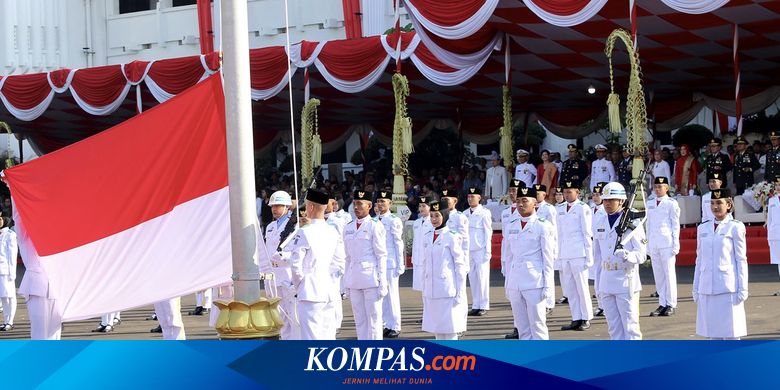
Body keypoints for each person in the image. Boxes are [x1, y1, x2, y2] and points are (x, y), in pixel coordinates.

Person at [282, 188, 345, 340]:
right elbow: (339, 262)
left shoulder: (305, 232)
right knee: (328, 335)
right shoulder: (332, 231)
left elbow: (296, 265)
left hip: (310, 290)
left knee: (311, 336)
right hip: (329, 289)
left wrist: (300, 286)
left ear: (310, 207)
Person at [592, 182, 647, 340]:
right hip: (606, 280)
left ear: (622, 201)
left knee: (630, 328)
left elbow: (642, 254)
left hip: (625, 280)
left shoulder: (632, 221)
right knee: (613, 328)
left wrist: (628, 255)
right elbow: (597, 257)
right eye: (605, 200)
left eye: (612, 200)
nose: (607, 203)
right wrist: (598, 284)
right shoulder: (600, 221)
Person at [693, 188, 748, 339]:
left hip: (727, 288)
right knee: (712, 335)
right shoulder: (702, 228)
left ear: (728, 204)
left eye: (719, 203)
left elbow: (741, 260)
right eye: (712, 203)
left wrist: (743, 288)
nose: (715, 207)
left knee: (731, 335)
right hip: (707, 288)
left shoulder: (735, 227)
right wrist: (696, 287)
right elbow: (699, 260)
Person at [504, 185, 555, 340]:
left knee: (537, 325)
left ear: (535, 203)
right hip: (515, 281)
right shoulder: (511, 225)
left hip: (535, 282)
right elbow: (509, 257)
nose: (520, 204)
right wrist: (508, 282)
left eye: (524, 201)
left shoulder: (543, 225)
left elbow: (548, 259)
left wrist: (548, 286)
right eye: (518, 201)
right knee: (522, 327)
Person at [342, 190, 387, 340]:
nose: (356, 207)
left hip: (371, 278)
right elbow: (347, 257)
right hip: (354, 278)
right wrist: (345, 282)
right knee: (359, 318)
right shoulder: (348, 227)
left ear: (369, 206)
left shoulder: (375, 225)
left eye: (360, 204)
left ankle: (375, 350)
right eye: (355, 204)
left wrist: (383, 281)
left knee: (374, 318)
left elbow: (381, 255)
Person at [421, 201, 468, 340]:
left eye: (437, 216)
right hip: (432, 289)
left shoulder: (452, 236)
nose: (434, 219)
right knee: (437, 329)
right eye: (432, 216)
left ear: (445, 216)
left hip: (448, 289)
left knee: (450, 329)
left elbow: (460, 265)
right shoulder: (428, 235)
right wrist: (424, 287)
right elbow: (425, 264)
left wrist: (460, 291)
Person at [556, 180, 594, 331]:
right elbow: (558, 234)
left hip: (579, 253)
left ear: (577, 193)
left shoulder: (582, 208)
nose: (566, 194)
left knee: (582, 287)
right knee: (570, 289)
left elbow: (587, 233)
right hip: (565, 253)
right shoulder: (560, 208)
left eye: (570, 192)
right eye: (565, 192)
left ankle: (586, 317)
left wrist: (589, 256)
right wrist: (558, 256)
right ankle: (576, 317)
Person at [261, 190, 299, 340]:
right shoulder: (270, 226)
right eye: (273, 206)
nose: (274, 209)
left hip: (288, 273)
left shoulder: (295, 225)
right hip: (273, 275)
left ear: (287, 206)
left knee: (293, 315)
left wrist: (284, 257)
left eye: (278, 206)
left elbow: (298, 251)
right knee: (279, 316)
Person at [645, 177, 680, 317]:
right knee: (658, 275)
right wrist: (647, 243)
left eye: (661, 186)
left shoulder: (672, 203)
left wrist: (675, 244)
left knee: (669, 274)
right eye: (656, 186)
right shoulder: (650, 203)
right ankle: (662, 302)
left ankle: (671, 303)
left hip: (667, 242)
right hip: (654, 242)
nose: (658, 189)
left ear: (667, 188)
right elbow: (648, 224)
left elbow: (675, 225)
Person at [375, 190, 404, 338]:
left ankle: (395, 325)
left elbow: (398, 243)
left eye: (383, 201)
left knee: (392, 296)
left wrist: (400, 263)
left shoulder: (394, 220)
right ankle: (387, 324)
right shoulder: (374, 220)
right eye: (379, 201)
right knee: (382, 295)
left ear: (390, 203)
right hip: (379, 264)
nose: (380, 204)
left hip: (391, 262)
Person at [465, 187, 492, 316]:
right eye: (469, 197)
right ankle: (476, 304)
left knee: (482, 278)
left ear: (479, 198)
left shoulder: (484, 212)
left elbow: (488, 232)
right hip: (469, 250)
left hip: (480, 249)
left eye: (473, 196)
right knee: (473, 278)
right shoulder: (464, 213)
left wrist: (488, 250)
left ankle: (484, 305)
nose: (470, 199)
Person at [325, 193, 350, 333]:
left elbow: (344, 242)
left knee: (335, 294)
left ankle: (336, 322)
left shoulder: (338, 221)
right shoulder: (318, 220)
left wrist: (342, 263)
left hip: (335, 263)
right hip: (322, 264)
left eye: (328, 203)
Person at [532, 184, 558, 314]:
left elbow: (554, 230)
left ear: (544, 194)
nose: (537, 196)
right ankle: (540, 301)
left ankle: (549, 303)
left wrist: (554, 248)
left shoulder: (549, 209)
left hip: (547, 245)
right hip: (535, 246)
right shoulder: (531, 207)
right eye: (535, 193)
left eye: (539, 193)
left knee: (548, 274)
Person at [501, 180, 522, 339]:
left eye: (515, 190)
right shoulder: (506, 212)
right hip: (511, 261)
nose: (512, 193)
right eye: (511, 190)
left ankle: (523, 328)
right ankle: (518, 326)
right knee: (514, 297)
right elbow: (504, 240)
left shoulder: (531, 212)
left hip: (526, 263)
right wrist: (503, 262)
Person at [588, 183, 606, 316]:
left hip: (604, 243)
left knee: (604, 274)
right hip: (593, 243)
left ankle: (605, 304)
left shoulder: (606, 210)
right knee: (596, 275)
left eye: (598, 194)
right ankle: (600, 304)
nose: (596, 197)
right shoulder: (590, 208)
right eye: (594, 194)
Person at [412, 196, 433, 293]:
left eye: (424, 206)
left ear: (430, 207)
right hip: (417, 258)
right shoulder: (416, 222)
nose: (421, 208)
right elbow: (415, 242)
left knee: (429, 286)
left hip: (428, 258)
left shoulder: (433, 222)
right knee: (421, 287)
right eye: (420, 206)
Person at [440, 189, 469, 256]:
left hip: (456, 252)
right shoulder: (438, 217)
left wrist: (465, 256)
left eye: (446, 200)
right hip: (442, 252)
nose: (444, 202)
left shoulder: (460, 217)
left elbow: (464, 238)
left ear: (455, 201)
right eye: (442, 200)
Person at [0, 217, 17, 332]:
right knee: (3, 298)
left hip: (6, 271)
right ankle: (5, 321)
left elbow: (12, 255)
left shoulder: (10, 235)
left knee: (10, 297)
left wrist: (12, 273)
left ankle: (10, 321)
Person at [767, 179, 780, 296]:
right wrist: (769, 236)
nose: (778, 187)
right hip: (776, 234)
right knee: (779, 262)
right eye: (776, 185)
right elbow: (769, 220)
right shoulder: (772, 201)